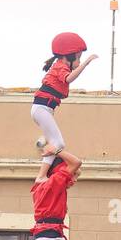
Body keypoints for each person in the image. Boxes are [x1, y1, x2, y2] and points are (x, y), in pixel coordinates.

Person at [31, 31, 97, 166]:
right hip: (41, 108)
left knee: (55, 143)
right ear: (68, 57)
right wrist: (86, 63)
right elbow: (69, 78)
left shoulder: (61, 65)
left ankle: (46, 168)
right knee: (58, 143)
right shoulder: (60, 66)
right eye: (78, 58)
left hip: (44, 109)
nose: (78, 63)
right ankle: (41, 174)